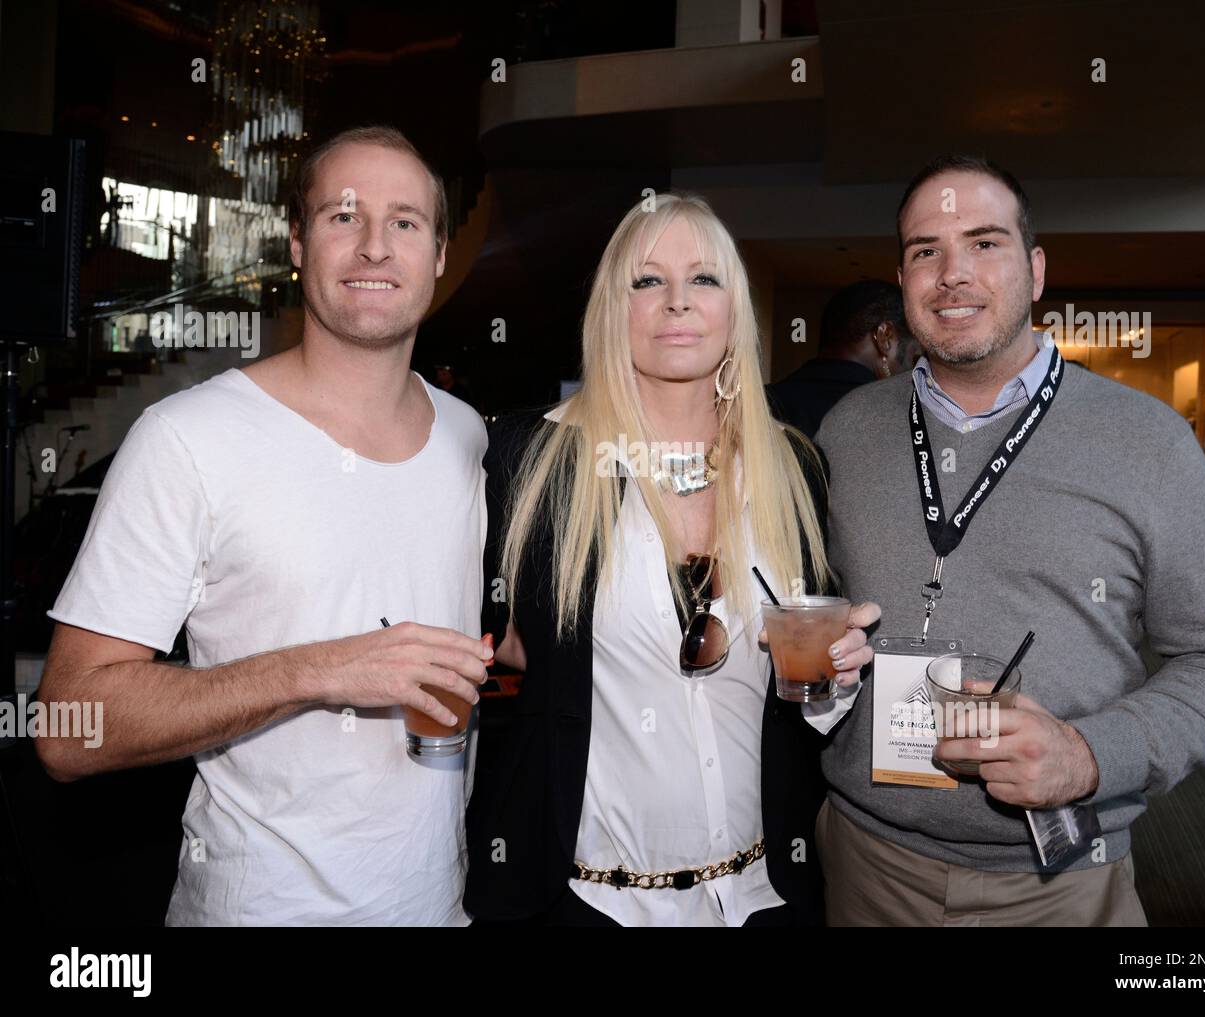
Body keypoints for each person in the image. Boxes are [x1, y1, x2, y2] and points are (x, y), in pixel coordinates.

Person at [36, 126, 492, 925]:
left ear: (441, 253)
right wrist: (313, 670)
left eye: (406, 222)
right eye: (343, 218)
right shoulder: (187, 440)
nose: (376, 247)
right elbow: (68, 729)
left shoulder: (467, 436)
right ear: (295, 243)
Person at [813, 154, 1205, 926]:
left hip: (1058, 882)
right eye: (927, 250)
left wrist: (1091, 756)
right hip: (867, 866)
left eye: (984, 242)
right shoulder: (846, 432)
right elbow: (817, 615)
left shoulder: (1148, 442)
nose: (952, 273)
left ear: (1036, 268)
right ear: (902, 277)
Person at [465, 193, 877, 926]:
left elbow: (805, 689)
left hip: (760, 897)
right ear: (612, 308)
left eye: (705, 279)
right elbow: (501, 640)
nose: (678, 302)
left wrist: (837, 672)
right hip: (587, 899)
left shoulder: (794, 469)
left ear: (735, 310)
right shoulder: (530, 460)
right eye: (647, 280)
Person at [766, 280, 917, 438]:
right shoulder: (899, 419)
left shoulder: (761, 401)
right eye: (913, 358)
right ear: (885, 337)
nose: (915, 372)